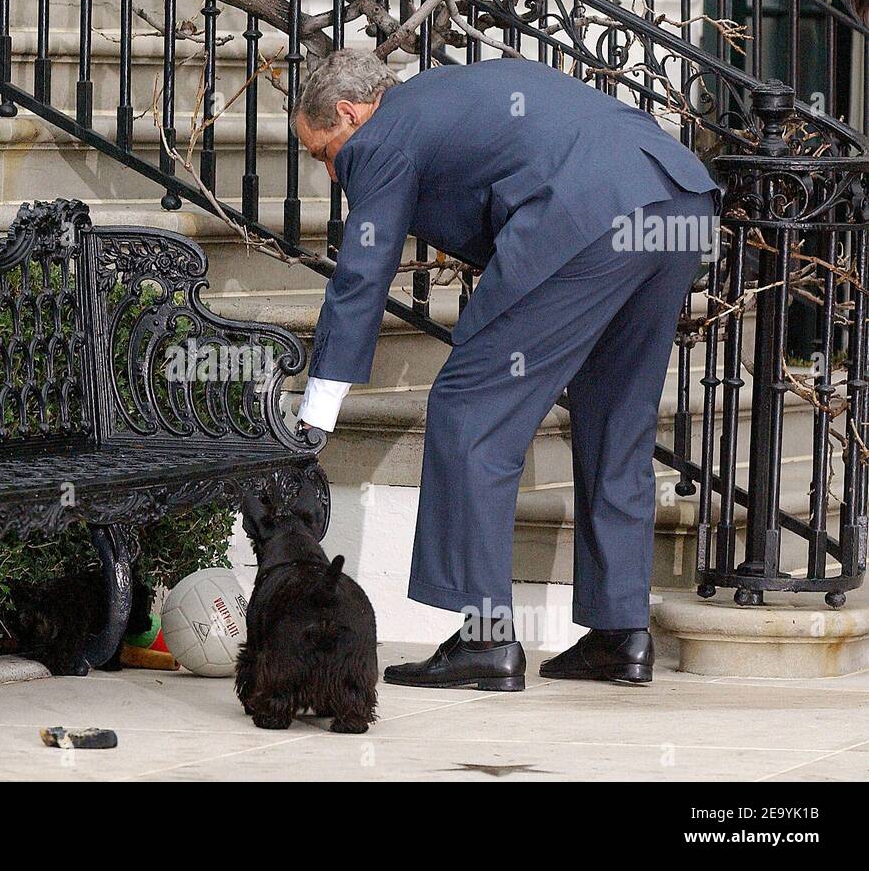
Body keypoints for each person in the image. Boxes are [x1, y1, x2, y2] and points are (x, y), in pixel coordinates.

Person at [294, 49, 720, 689]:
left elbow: (363, 273)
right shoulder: (453, 94)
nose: (333, 174)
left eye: (323, 152)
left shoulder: (382, 134)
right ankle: (619, 634)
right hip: (678, 200)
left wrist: (314, 415)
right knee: (618, 417)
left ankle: (485, 640)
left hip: (585, 216)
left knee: (471, 409)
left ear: (351, 115)